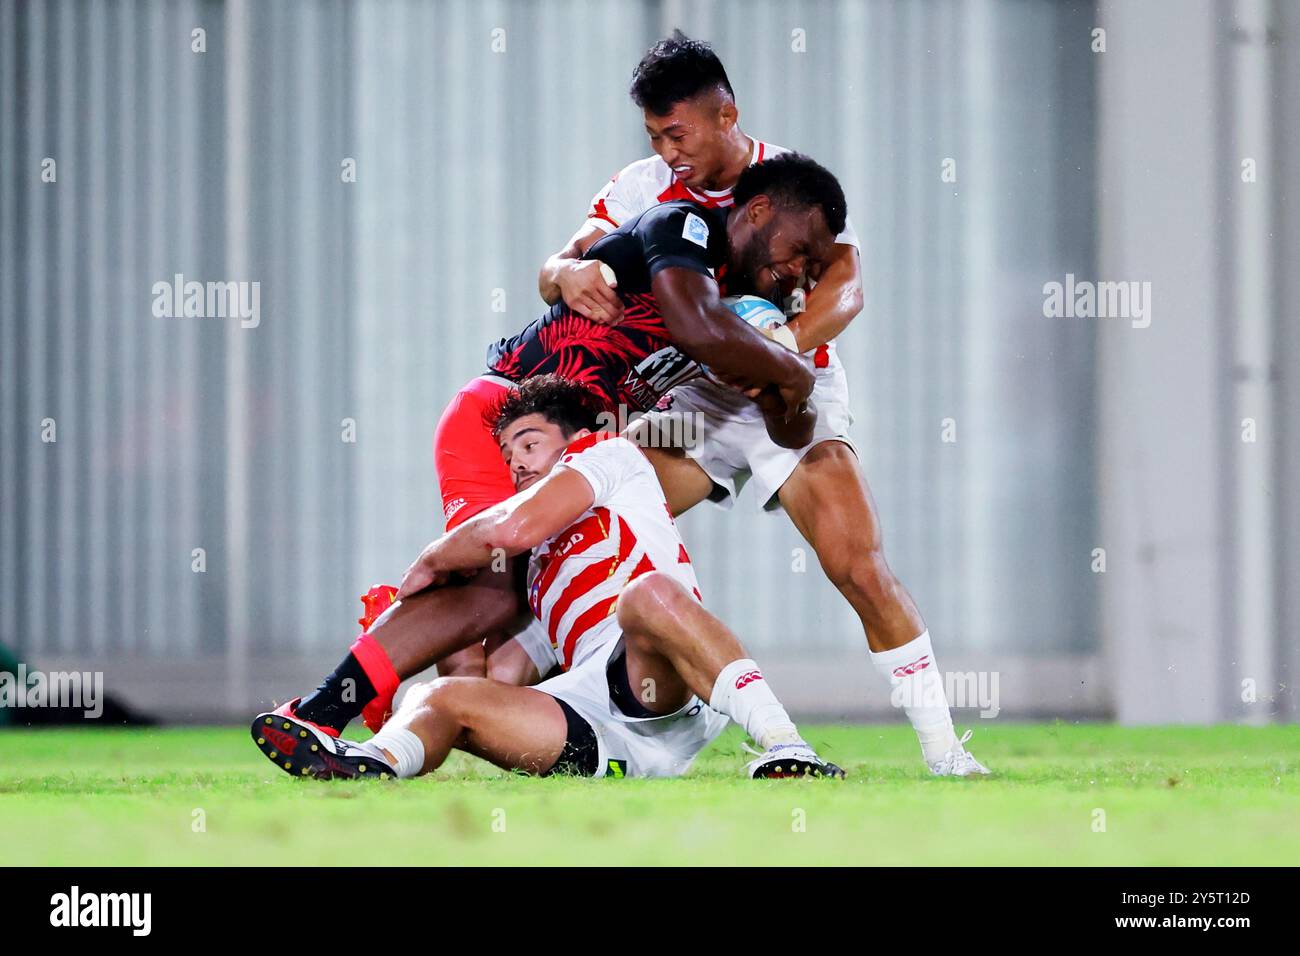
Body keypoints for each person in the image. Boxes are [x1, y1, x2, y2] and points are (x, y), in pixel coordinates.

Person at [266, 154, 846, 746]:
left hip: (569, 441)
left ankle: (386, 722)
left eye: (814, 263)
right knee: (490, 590)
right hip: (508, 415)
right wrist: (790, 371)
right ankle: (327, 707)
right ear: (759, 210)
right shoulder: (683, 228)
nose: (800, 269)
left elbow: (788, 425)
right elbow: (692, 326)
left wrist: (789, 383)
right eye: (801, 248)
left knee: (509, 599)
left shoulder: (753, 308)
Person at [537, 32, 988, 776]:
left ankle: (945, 753)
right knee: (574, 524)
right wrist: (564, 272)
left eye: (677, 132)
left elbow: (849, 279)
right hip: (698, 399)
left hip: (792, 395)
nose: (668, 149)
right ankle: (531, 703)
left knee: (856, 564)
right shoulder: (641, 186)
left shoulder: (787, 182)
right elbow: (561, 263)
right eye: (654, 135)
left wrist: (784, 348)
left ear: (726, 115)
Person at [252, 376, 843, 781]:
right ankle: (368, 762)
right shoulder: (535, 569)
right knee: (438, 698)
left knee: (647, 596)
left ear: (573, 439)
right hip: (601, 729)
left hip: (660, 687)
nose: (518, 465)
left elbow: (510, 527)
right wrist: (419, 665)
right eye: (509, 456)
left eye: (529, 444)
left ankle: (786, 743)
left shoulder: (611, 457)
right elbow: (500, 676)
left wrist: (432, 561)